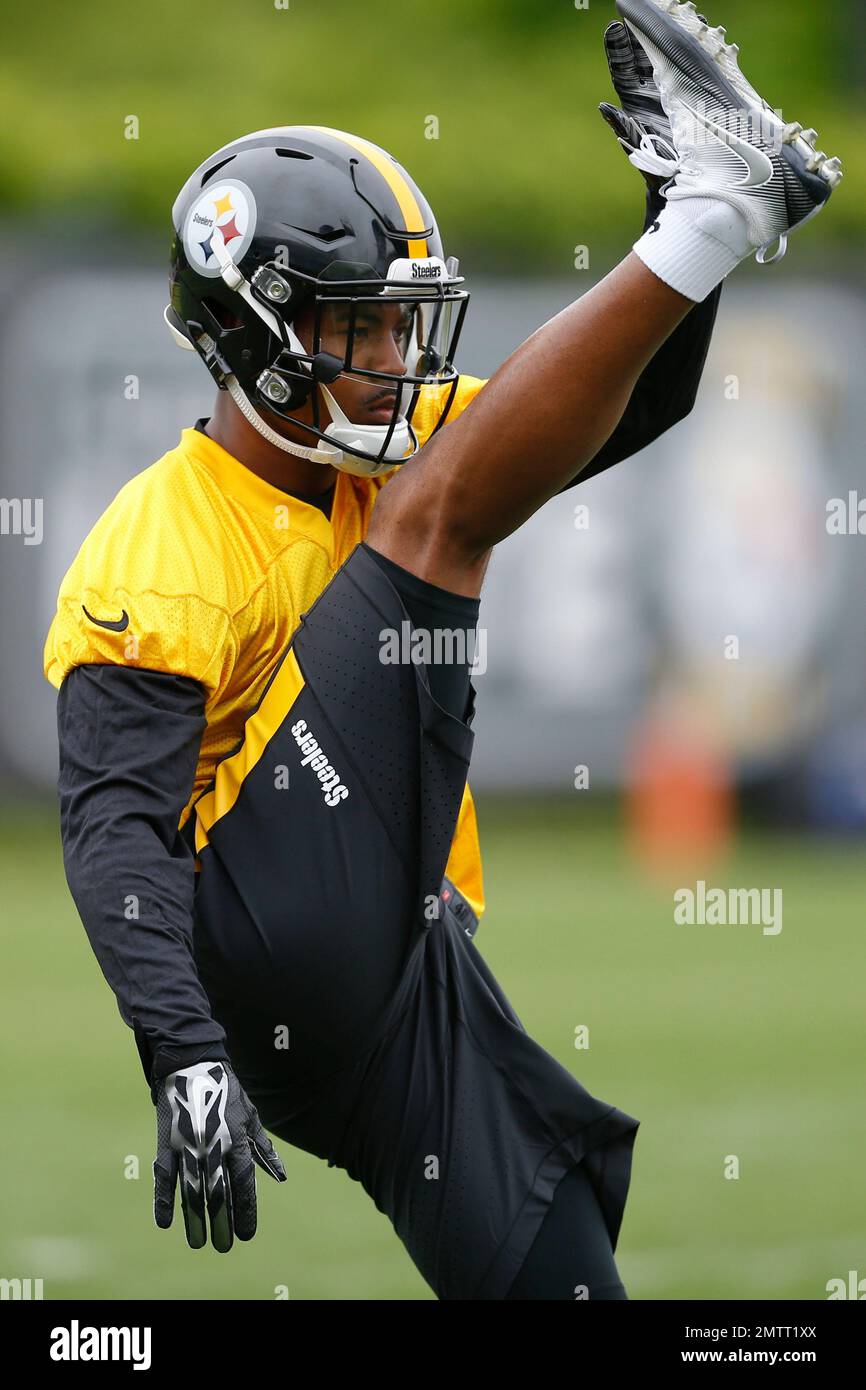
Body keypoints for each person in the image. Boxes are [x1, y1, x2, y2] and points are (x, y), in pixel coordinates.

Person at [43, 0, 840, 1300]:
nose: (394, 361)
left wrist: (658, 231)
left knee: (550, 1265)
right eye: (358, 330)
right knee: (436, 506)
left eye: (401, 325)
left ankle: (708, 209)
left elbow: (627, 404)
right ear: (251, 331)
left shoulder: (381, 452)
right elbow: (112, 826)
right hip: (256, 948)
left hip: (396, 961)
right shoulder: (159, 542)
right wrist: (179, 1047)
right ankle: (721, 203)